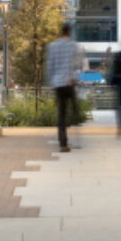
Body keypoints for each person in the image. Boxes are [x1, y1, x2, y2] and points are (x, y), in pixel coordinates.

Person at [45, 22, 87, 152]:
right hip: (69, 83)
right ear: (69, 32)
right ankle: (76, 117)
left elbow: (50, 66)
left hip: (58, 84)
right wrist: (74, 77)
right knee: (74, 107)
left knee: (61, 114)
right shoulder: (74, 46)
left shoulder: (53, 46)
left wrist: (51, 82)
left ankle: (63, 143)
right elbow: (78, 64)